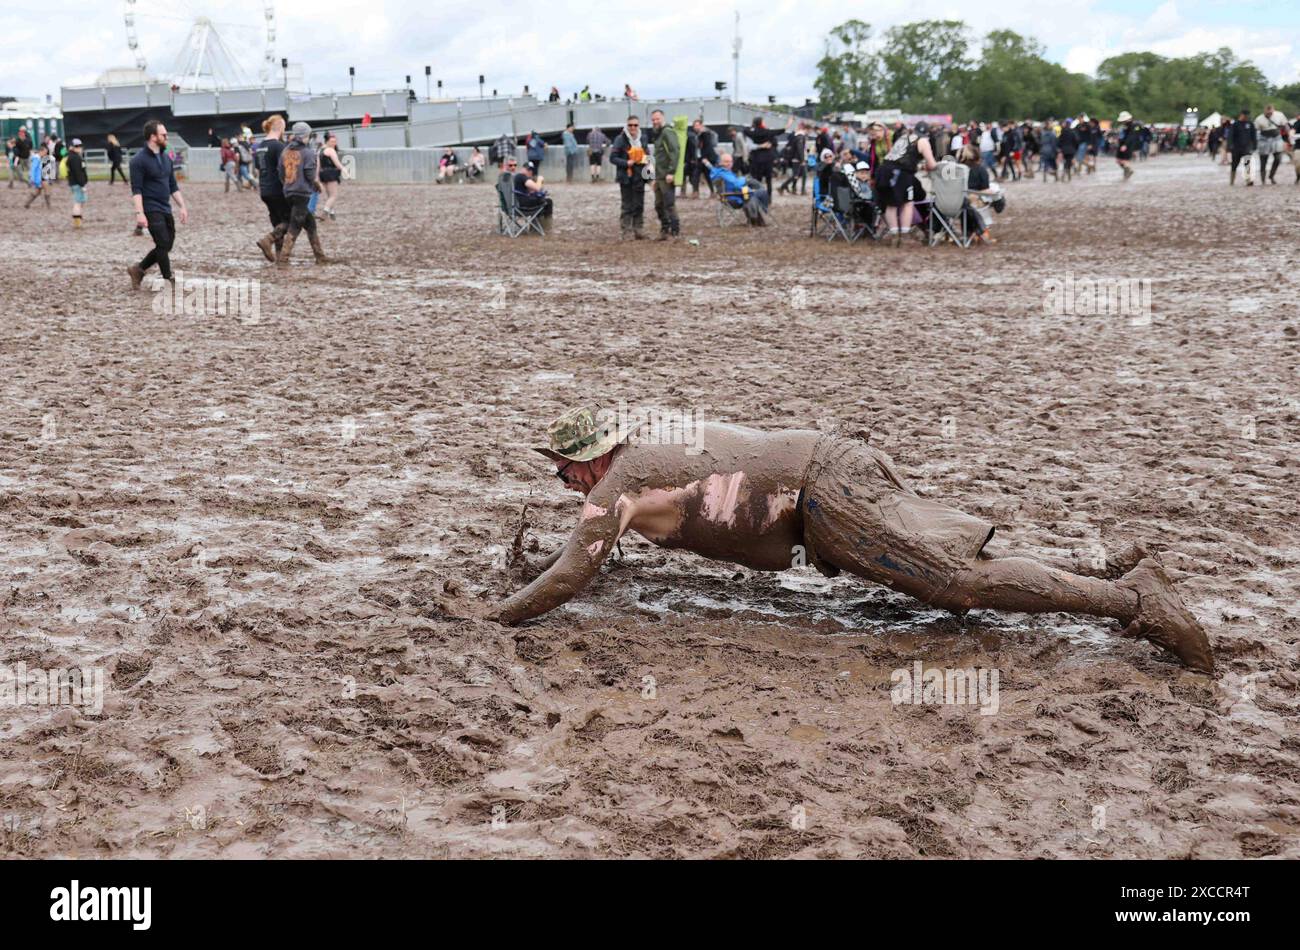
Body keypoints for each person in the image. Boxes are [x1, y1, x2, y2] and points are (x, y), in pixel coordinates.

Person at [483, 406, 1215, 676]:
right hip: (823, 477)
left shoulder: (622, 480)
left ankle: (1130, 599)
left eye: (565, 470)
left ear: (591, 459)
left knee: (958, 587)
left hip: (822, 491)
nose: (564, 484)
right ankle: (1109, 573)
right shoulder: (643, 453)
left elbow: (566, 579)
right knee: (957, 564)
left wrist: (491, 620)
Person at [126, 120, 188, 289]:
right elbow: (136, 189)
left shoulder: (166, 158)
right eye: (163, 135)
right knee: (162, 243)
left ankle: (138, 269)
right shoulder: (138, 161)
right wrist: (140, 213)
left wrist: (182, 206)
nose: (166, 137)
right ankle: (169, 278)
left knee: (167, 244)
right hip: (150, 208)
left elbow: (172, 185)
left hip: (165, 207)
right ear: (153, 137)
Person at [275, 121, 328, 266]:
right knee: (295, 225)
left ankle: (320, 256)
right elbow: (310, 175)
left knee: (310, 224)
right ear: (305, 136)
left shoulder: (285, 151)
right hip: (302, 193)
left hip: (288, 191)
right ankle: (283, 258)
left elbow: (280, 172)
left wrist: (287, 184)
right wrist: (317, 185)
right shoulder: (308, 152)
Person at [874, 120, 937, 238]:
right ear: (927, 133)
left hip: (884, 170)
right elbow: (932, 164)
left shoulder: (904, 137)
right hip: (900, 172)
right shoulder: (923, 140)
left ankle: (894, 234)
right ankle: (904, 233)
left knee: (891, 204)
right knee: (908, 203)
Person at [253, 115, 290, 262]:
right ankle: (267, 240)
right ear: (280, 127)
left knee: (277, 221)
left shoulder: (260, 145)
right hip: (277, 189)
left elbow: (258, 167)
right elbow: (284, 168)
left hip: (265, 189)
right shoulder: (278, 146)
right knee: (290, 220)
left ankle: (279, 255)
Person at [610, 116, 649, 240]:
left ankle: (638, 229)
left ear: (639, 126)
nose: (633, 127)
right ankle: (626, 231)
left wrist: (650, 178)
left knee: (639, 204)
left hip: (640, 177)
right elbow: (612, 158)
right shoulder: (620, 139)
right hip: (626, 177)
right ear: (627, 126)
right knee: (627, 205)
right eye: (630, 125)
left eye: (635, 125)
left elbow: (648, 156)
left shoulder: (643, 138)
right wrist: (626, 163)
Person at [703, 152, 770, 224]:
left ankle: (755, 217)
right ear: (720, 163)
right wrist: (745, 181)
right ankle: (759, 214)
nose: (729, 163)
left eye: (731, 161)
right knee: (761, 191)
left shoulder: (716, 172)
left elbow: (712, 168)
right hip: (735, 198)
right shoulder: (723, 173)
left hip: (727, 197)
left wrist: (707, 163)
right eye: (726, 162)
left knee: (752, 187)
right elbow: (736, 184)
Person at [649, 109, 680, 241]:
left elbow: (675, 151)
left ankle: (675, 230)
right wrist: (652, 177)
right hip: (659, 175)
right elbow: (656, 156)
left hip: (667, 175)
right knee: (658, 204)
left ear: (663, 118)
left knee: (669, 204)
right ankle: (664, 228)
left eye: (657, 119)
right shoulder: (658, 134)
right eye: (653, 120)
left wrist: (671, 172)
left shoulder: (668, 132)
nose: (655, 121)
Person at [1254, 104, 1287, 184]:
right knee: (1263, 160)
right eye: (1267, 113)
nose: (1269, 114)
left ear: (1273, 110)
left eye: (1270, 112)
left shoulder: (1279, 115)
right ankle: (1263, 180)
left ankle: (1271, 176)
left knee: (1278, 158)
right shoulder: (1259, 119)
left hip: (1276, 138)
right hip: (1264, 139)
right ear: (1264, 111)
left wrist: (1287, 138)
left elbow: (1285, 125)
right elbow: (1255, 130)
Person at [1226, 110, 1257, 186]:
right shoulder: (1235, 124)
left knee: (1247, 163)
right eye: (1245, 116)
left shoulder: (1250, 124)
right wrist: (1229, 146)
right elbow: (1230, 136)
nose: (1247, 118)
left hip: (1247, 147)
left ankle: (1248, 179)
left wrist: (1254, 146)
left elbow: (1254, 136)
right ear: (1241, 115)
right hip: (1236, 148)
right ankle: (1232, 181)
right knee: (1234, 165)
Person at [318, 132, 343, 218]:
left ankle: (331, 213)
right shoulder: (330, 150)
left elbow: (318, 165)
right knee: (334, 195)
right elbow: (337, 163)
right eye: (332, 141)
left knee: (329, 195)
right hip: (331, 173)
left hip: (323, 174)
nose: (334, 143)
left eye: (335, 141)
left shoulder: (320, 149)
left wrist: (317, 176)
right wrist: (344, 170)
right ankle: (325, 212)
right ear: (327, 141)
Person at [65, 138, 88, 228]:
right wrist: (82, 184)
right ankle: (77, 223)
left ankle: (78, 221)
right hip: (77, 183)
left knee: (80, 201)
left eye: (80, 146)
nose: (80, 148)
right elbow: (77, 172)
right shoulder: (74, 158)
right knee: (77, 202)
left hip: (75, 183)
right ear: (73, 148)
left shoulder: (73, 156)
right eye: (78, 146)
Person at [24, 143, 51, 209]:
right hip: (39, 178)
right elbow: (33, 169)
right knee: (47, 189)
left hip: (41, 177)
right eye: (45, 152)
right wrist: (32, 179)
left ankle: (27, 203)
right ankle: (49, 206)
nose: (45, 154)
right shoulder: (36, 158)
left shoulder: (40, 158)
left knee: (37, 192)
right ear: (41, 151)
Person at [1115, 112, 1139, 181]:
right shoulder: (1124, 125)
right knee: (1118, 160)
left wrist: (1125, 145)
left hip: (1128, 145)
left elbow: (1131, 136)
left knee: (1125, 160)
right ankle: (1127, 174)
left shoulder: (1134, 125)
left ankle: (1127, 174)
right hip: (1122, 144)